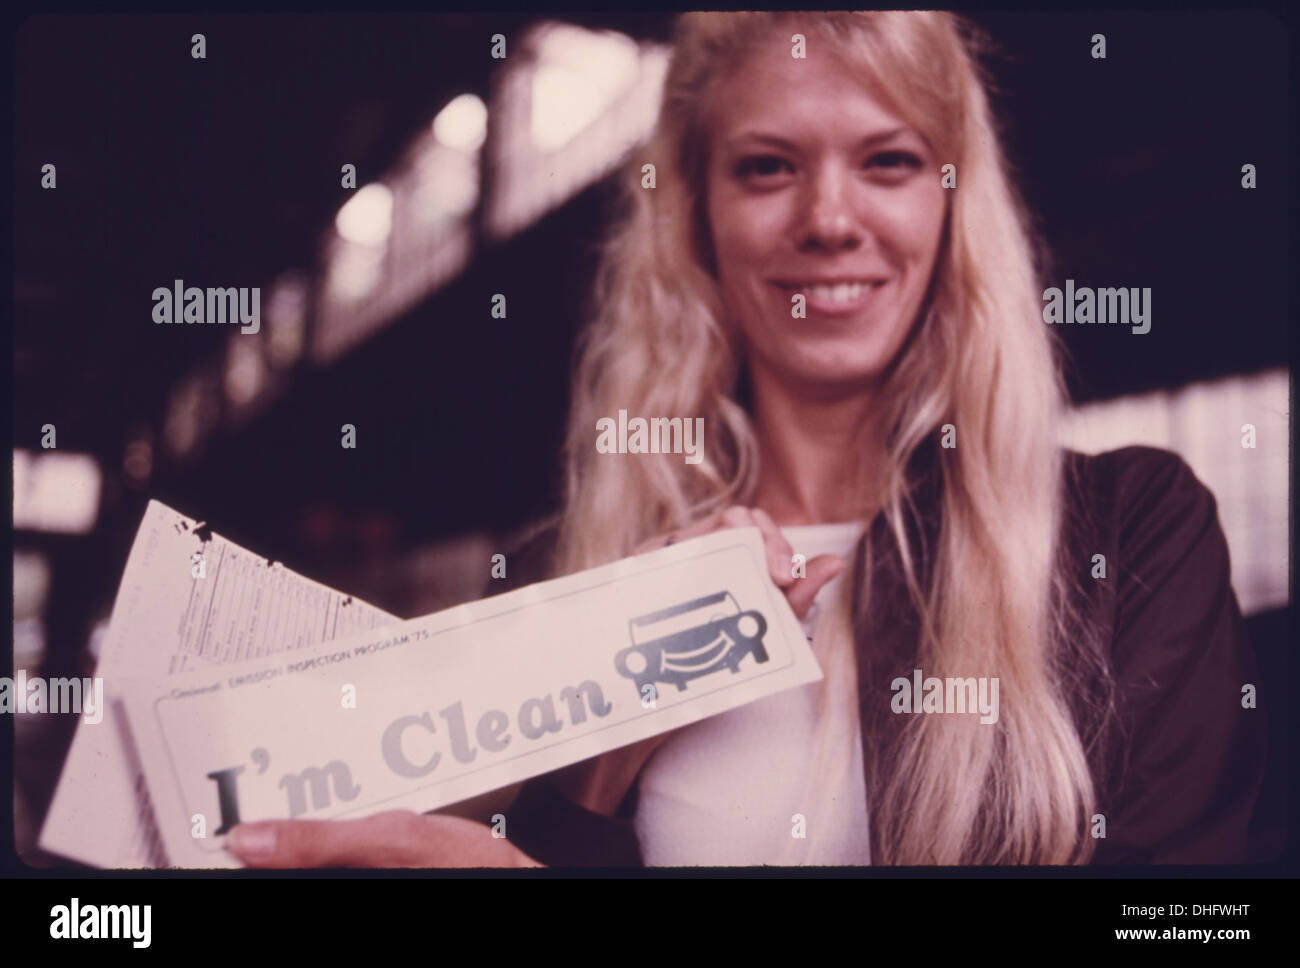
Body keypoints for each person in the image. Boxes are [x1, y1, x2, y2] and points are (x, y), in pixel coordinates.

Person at [225, 10, 1265, 868]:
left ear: (953, 207)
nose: (828, 218)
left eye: (890, 160)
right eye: (767, 167)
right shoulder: (579, 574)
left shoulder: (1130, 534)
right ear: (696, 218)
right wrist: (597, 767)